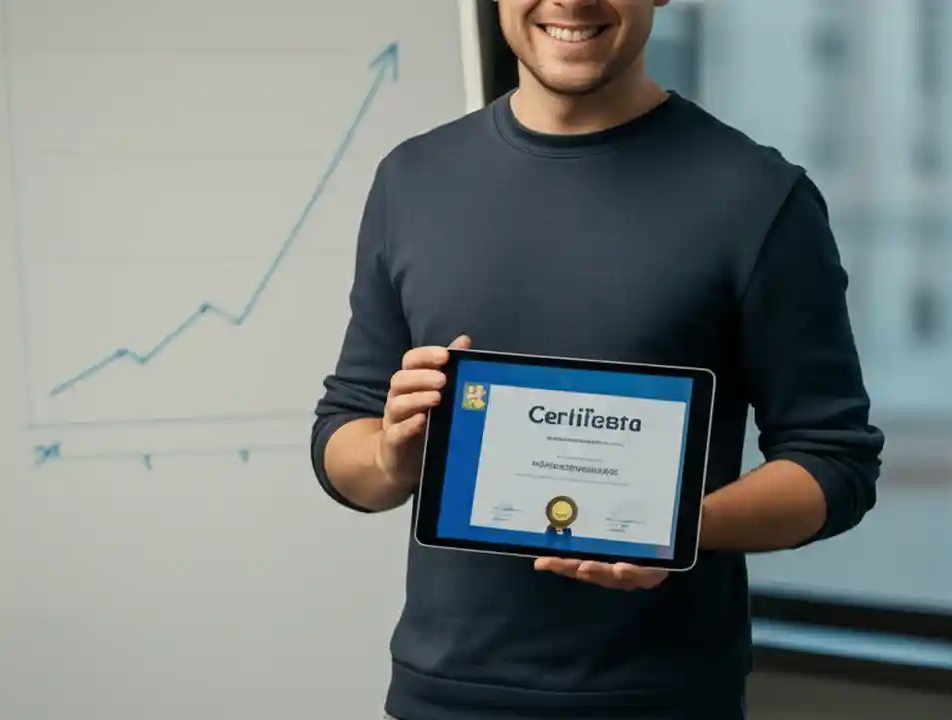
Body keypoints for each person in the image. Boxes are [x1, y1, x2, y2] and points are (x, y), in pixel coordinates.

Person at [310, 1, 885, 718]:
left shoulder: (759, 197)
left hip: (662, 701)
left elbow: (836, 464)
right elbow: (344, 436)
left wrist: (677, 530)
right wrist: (394, 457)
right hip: (441, 697)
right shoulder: (413, 180)